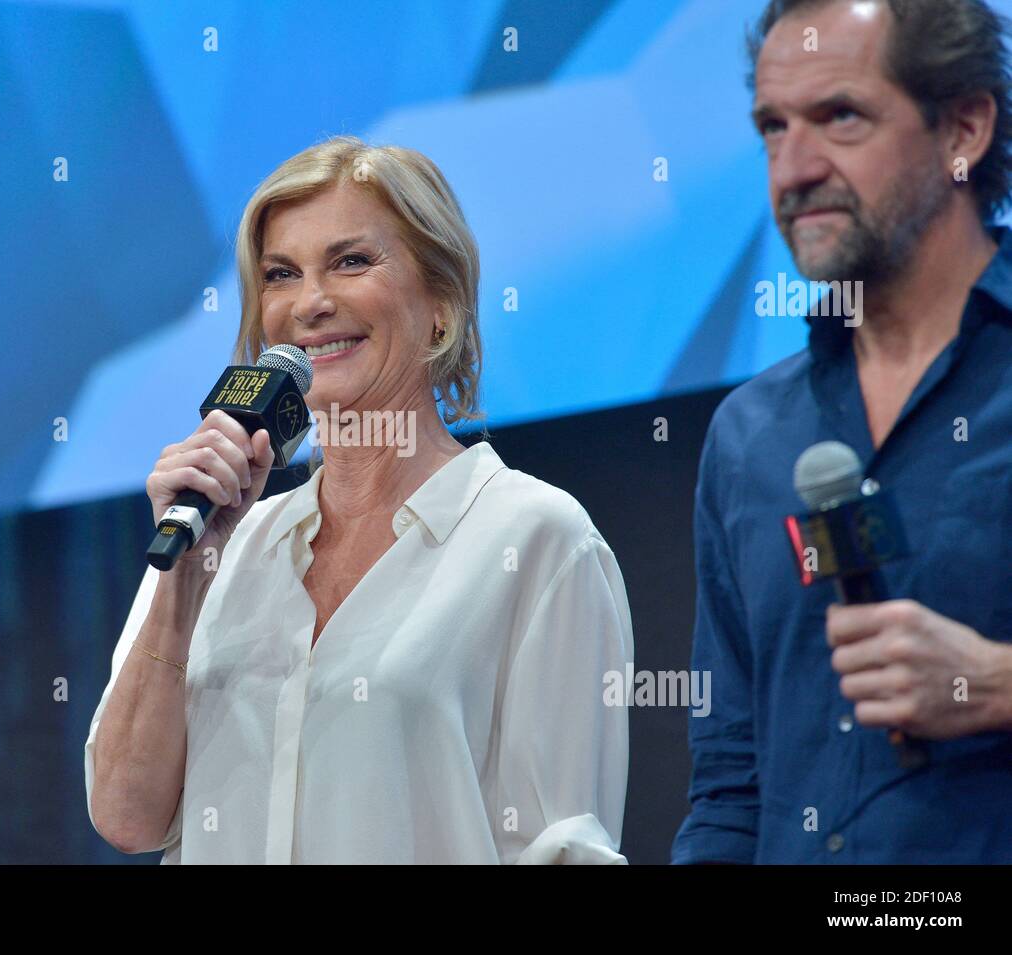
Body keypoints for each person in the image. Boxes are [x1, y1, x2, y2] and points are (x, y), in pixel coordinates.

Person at [84, 136, 634, 864]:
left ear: (442, 305)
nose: (311, 303)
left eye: (351, 261)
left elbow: (565, 851)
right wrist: (184, 582)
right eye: (281, 274)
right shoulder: (218, 539)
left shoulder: (537, 539)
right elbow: (126, 815)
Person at [673, 0, 1012, 864]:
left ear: (964, 128)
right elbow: (729, 782)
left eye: (840, 118)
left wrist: (997, 683)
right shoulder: (751, 437)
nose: (792, 171)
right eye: (772, 129)